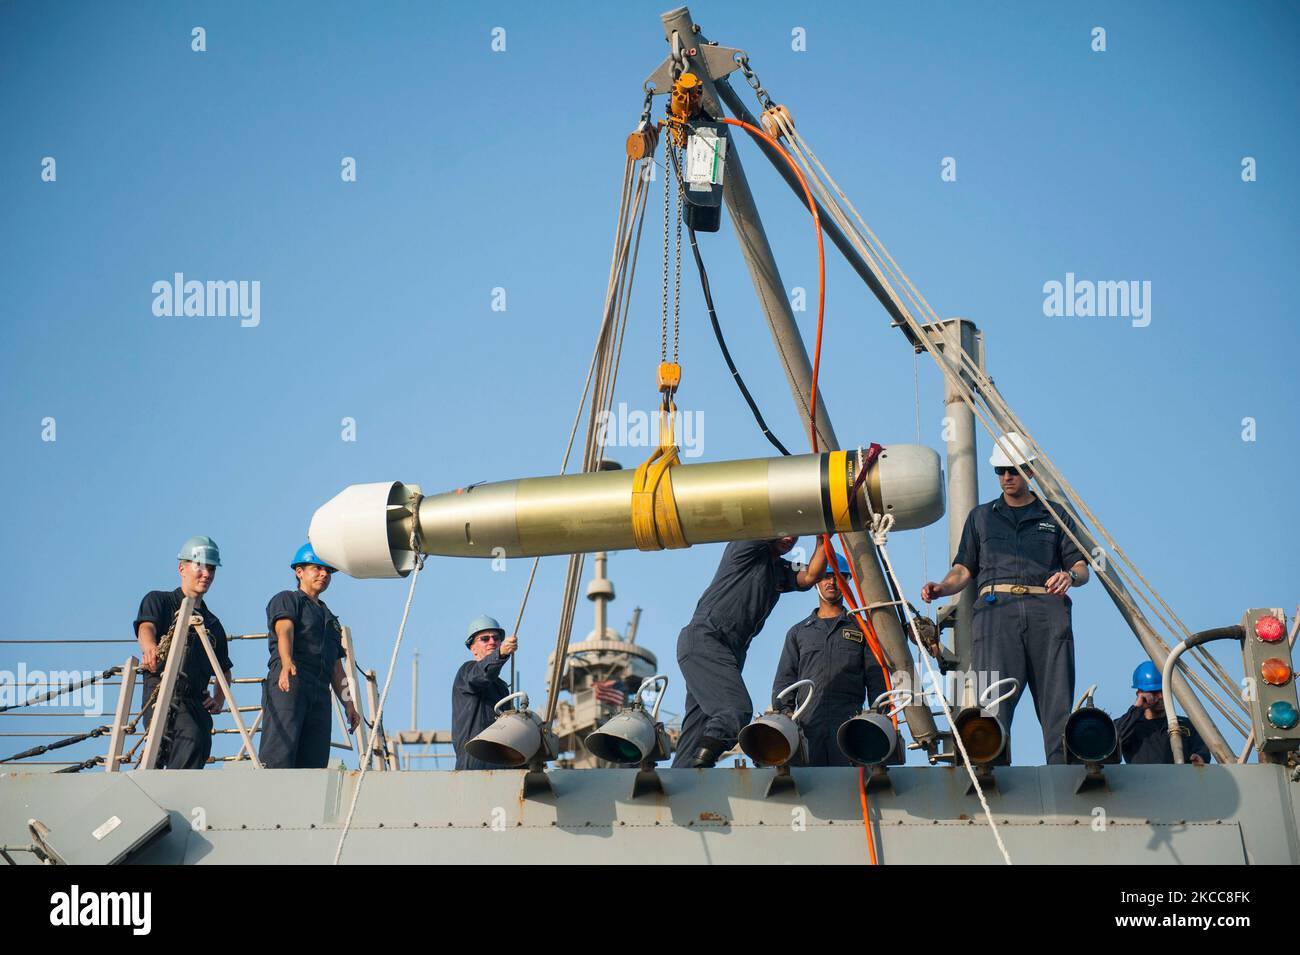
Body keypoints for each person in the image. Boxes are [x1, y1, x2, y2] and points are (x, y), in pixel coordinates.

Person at [920, 432, 1090, 764]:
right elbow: (963, 570)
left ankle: (1063, 775)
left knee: (1057, 706)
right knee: (992, 704)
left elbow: (1082, 567)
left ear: (1029, 471)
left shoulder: (1054, 516)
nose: (1007, 477)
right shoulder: (981, 517)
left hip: (1047, 612)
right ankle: (993, 774)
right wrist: (941, 587)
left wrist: (1069, 576)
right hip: (997, 617)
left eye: (1013, 470)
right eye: (1000, 470)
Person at [672, 535, 827, 768]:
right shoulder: (745, 547)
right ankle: (700, 768)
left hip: (728, 653)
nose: (789, 539)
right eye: (784, 531)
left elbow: (810, 577)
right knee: (734, 711)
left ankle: (682, 779)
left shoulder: (780, 569)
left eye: (795, 536)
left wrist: (824, 538)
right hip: (707, 639)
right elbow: (767, 514)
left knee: (700, 724)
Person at [771, 552, 889, 766]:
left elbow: (876, 680)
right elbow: (784, 683)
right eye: (825, 576)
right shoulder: (798, 633)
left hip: (849, 731)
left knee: (848, 789)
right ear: (816, 580)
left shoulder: (863, 628)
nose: (832, 582)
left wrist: (878, 718)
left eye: (839, 576)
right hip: (807, 729)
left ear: (847, 581)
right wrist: (784, 715)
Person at [134, 535, 233, 769]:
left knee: (200, 742)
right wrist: (150, 649)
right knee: (187, 738)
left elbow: (224, 672)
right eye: (200, 567)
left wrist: (218, 699)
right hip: (163, 689)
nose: (207, 574)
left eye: (211, 569)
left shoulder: (213, 624)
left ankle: (176, 795)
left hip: (196, 699)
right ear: (182, 568)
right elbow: (146, 626)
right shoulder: (160, 600)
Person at [259, 543, 360, 768]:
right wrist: (286, 662)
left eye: (328, 571)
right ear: (299, 572)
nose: (323, 574)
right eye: (317, 568)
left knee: (314, 763)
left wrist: (349, 705)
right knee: (280, 754)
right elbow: (284, 630)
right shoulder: (288, 599)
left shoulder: (330, 619)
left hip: (320, 692)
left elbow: (336, 667)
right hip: (291, 681)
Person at [451, 615, 518, 770]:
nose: (492, 642)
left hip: (502, 764)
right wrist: (500, 654)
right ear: (473, 648)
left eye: (496, 638)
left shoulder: (501, 688)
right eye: (485, 639)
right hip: (474, 763)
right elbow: (481, 674)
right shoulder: (466, 672)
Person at [1114, 661, 1210, 765]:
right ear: (1139, 694)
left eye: (1163, 690)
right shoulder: (1130, 726)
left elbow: (1202, 749)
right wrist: (1137, 708)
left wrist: (1200, 757)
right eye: (1154, 692)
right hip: (1143, 780)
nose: (1161, 697)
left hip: (1180, 780)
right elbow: (1112, 741)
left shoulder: (1186, 725)